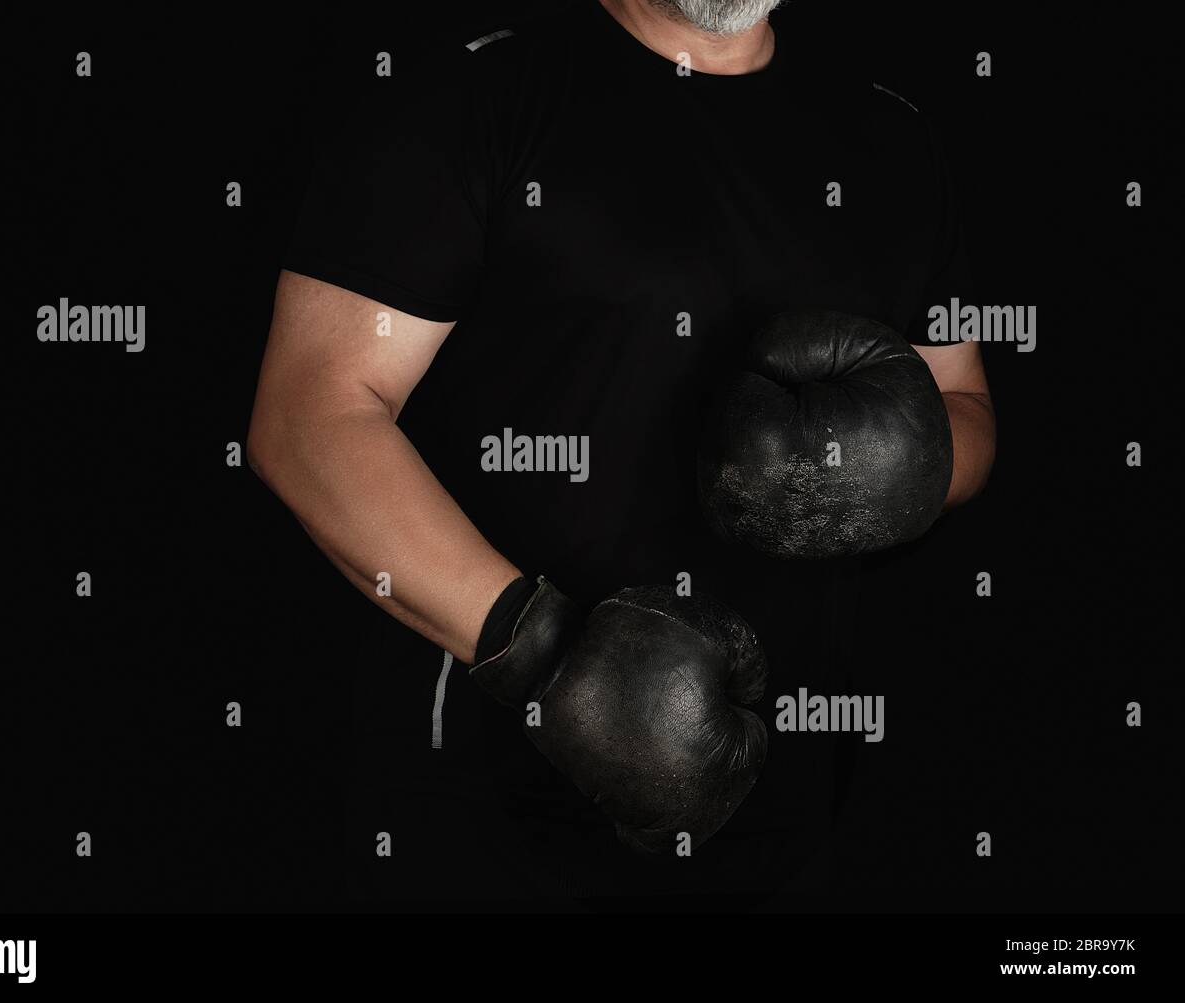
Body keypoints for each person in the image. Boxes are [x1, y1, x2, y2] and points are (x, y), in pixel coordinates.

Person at [247, 0, 995, 904]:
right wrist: (547, 658)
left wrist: (903, 467)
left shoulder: (890, 137)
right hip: (487, 812)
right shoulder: (477, 88)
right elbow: (308, 413)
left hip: (782, 810)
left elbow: (965, 408)